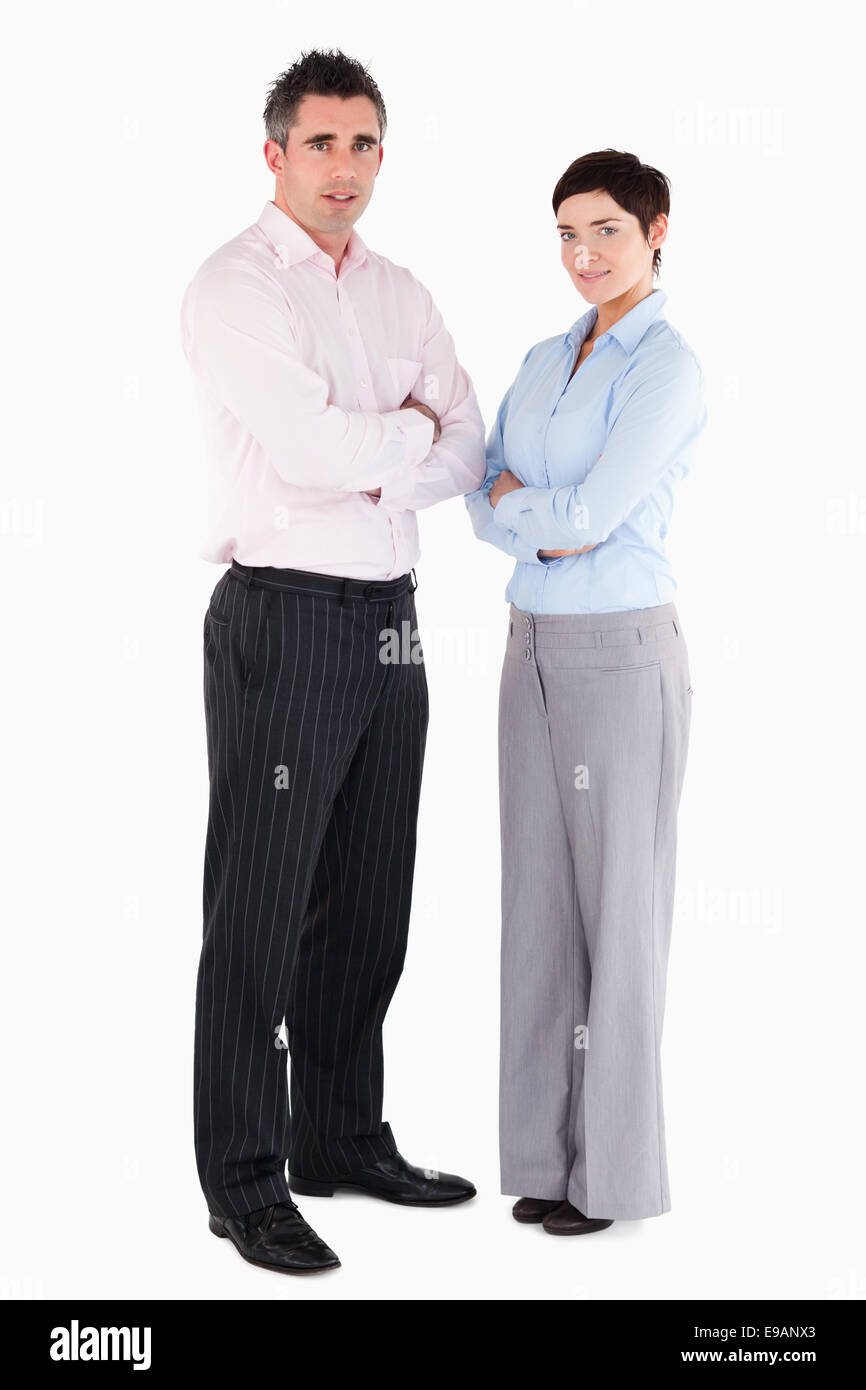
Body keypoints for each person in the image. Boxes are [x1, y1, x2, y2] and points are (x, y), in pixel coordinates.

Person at [180, 48, 483, 1276]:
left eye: (363, 143)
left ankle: (339, 1136)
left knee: (369, 900)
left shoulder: (400, 289)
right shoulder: (235, 287)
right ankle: (244, 1181)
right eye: (321, 142)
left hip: (391, 619)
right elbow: (304, 448)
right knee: (258, 912)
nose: (345, 165)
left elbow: (465, 447)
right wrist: (396, 435)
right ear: (273, 153)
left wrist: (392, 445)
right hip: (283, 615)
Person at [465, 149, 707, 1236]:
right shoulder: (539, 356)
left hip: (619, 655)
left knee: (619, 919)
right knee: (535, 907)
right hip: (530, 650)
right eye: (566, 233)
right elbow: (483, 491)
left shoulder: (667, 365)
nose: (582, 253)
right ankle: (540, 1157)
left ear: (656, 230)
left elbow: (589, 517)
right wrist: (531, 511)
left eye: (605, 229)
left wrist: (535, 510)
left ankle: (611, 1177)